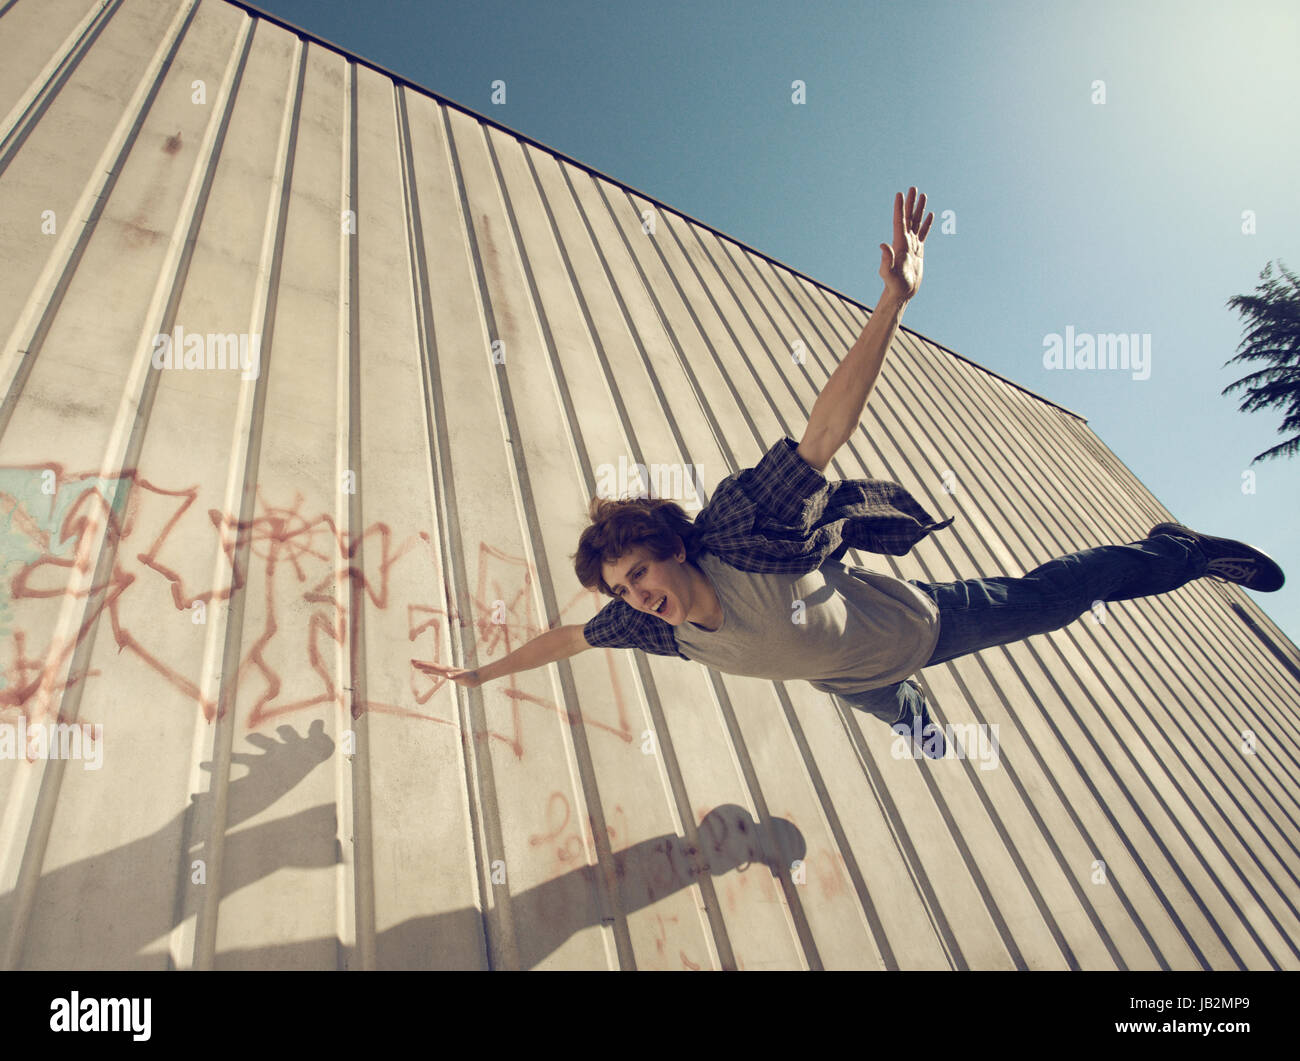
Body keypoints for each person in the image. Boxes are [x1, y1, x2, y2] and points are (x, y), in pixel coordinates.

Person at [416, 188, 1286, 759]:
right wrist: (477, 676)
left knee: (1060, 596)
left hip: (926, 625)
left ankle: (1171, 552)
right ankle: (913, 715)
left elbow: (823, 431)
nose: (638, 593)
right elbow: (565, 639)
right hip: (853, 675)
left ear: (672, 547)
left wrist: (892, 303)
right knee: (907, 720)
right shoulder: (656, 628)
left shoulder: (737, 532)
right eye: (624, 587)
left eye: (640, 571)